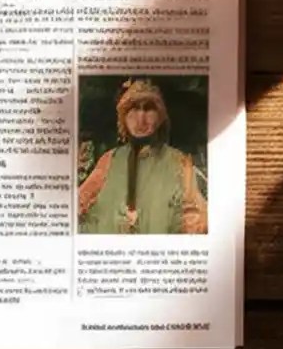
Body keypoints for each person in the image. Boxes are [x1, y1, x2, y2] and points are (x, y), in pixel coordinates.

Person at [78, 79, 208, 234]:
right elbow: (79, 205)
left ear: (160, 117)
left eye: (148, 109)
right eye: (133, 109)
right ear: (124, 117)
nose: (141, 119)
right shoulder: (110, 159)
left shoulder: (178, 162)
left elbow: (196, 218)